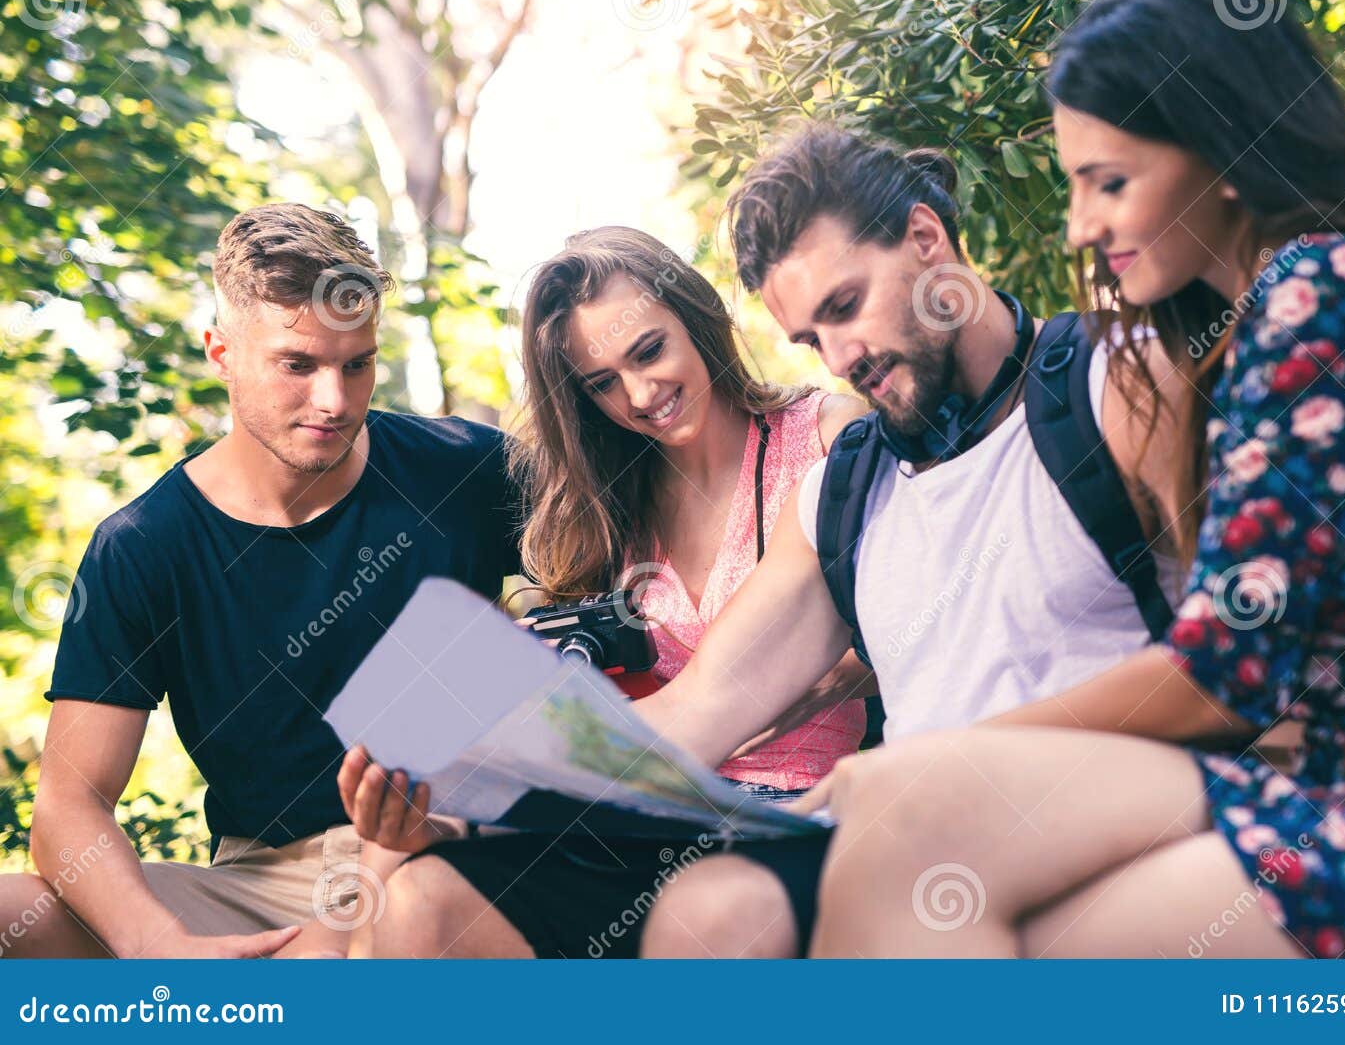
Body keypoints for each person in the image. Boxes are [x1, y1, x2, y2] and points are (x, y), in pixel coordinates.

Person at [797, 0, 1345, 958]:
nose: (1081, 224)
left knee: (934, 845)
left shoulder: (1320, 289)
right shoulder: (1266, 313)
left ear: (1220, 146)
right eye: (1075, 185)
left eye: (1110, 182)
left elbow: (1226, 669)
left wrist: (925, 760)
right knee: (931, 863)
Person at [348, 126, 1199, 958]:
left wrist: (925, 768)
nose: (840, 358)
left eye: (846, 307)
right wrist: (466, 785)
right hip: (901, 833)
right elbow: (693, 713)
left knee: (741, 909)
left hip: (1063, 804)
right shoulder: (845, 490)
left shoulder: (1114, 383)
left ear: (926, 238)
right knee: (603, 904)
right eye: (811, 338)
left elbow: (1240, 663)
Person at [0, 204, 521, 958]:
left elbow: (645, 568)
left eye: (357, 364)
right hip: (259, 882)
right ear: (222, 353)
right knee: (11, 914)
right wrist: (159, 944)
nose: (334, 400)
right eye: (298, 364)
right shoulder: (144, 545)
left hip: (443, 855)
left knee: (410, 919)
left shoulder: (466, 469)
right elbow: (67, 808)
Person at [338, 226, 871, 958]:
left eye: (649, 351)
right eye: (602, 383)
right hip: (635, 821)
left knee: (706, 914)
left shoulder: (828, 438)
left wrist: (821, 681)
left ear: (698, 316)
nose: (640, 395)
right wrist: (429, 813)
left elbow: (922, 623)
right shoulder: (603, 511)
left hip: (789, 812)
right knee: (420, 897)